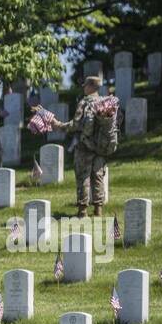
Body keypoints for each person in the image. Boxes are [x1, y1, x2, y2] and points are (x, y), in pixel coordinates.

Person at [53, 75, 110, 219]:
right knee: (98, 176)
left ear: (91, 86)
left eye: (85, 85)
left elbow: (76, 124)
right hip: (100, 147)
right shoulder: (105, 102)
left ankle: (83, 211)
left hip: (84, 146)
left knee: (83, 177)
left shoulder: (84, 103)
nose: (84, 87)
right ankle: (98, 210)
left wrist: (59, 125)